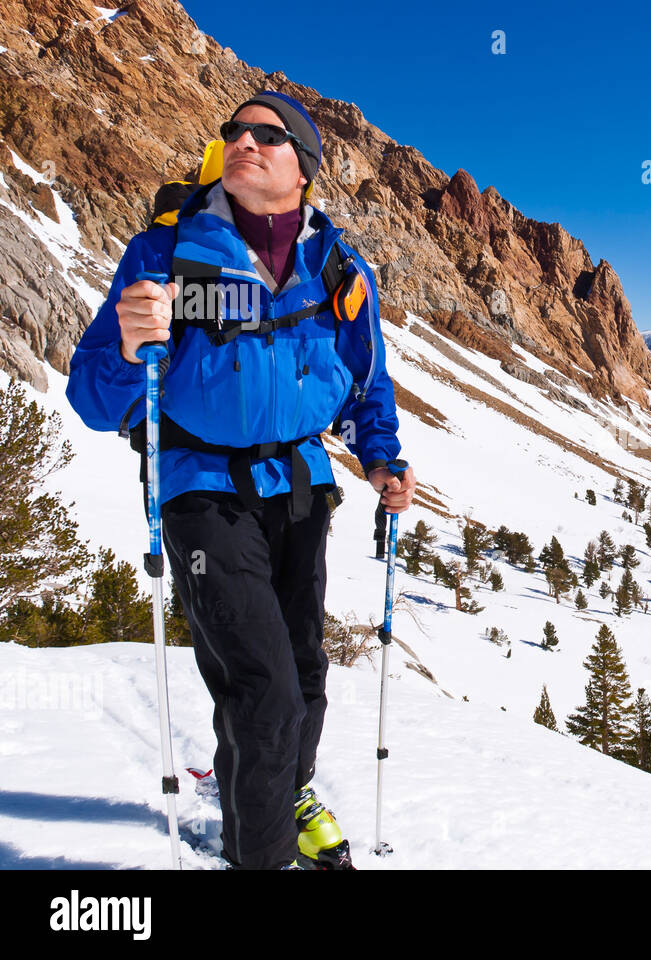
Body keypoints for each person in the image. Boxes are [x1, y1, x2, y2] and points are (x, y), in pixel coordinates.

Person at [66, 90, 417, 869]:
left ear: (306, 168)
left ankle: (282, 796)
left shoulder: (337, 267)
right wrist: (127, 350)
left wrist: (384, 458)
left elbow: (366, 388)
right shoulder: (164, 254)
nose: (244, 141)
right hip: (200, 489)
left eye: (269, 134)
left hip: (297, 487)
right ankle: (257, 854)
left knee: (305, 676)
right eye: (235, 132)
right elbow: (91, 399)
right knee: (264, 691)